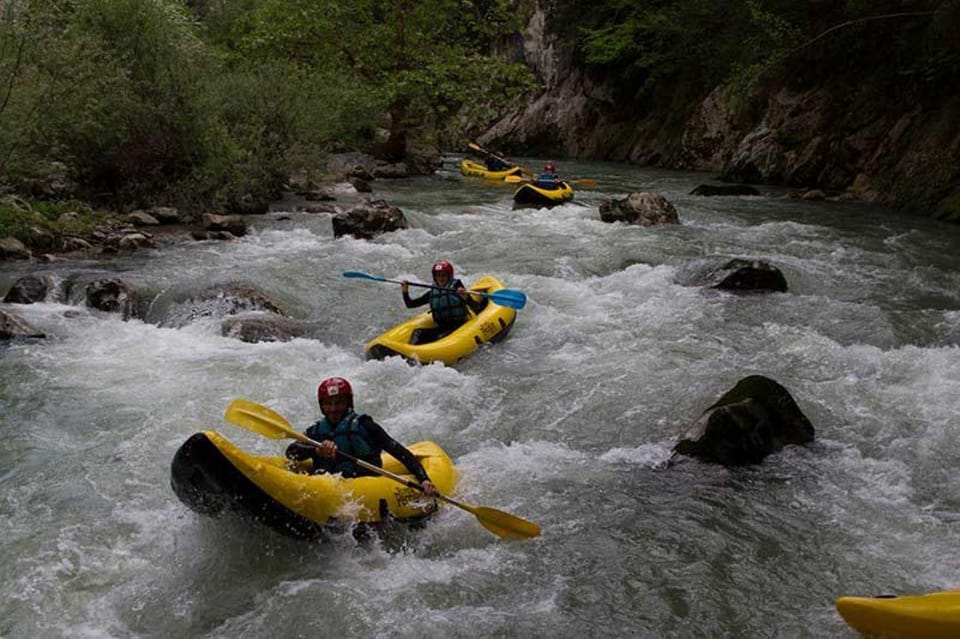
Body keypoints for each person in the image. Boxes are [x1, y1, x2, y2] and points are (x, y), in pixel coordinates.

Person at [286, 377, 437, 496]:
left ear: (348, 403)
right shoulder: (316, 431)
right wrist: (316, 451)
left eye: (339, 403)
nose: (333, 409)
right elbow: (291, 452)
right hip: (325, 486)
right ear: (321, 405)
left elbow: (400, 453)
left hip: (364, 488)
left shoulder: (365, 426)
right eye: (328, 404)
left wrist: (424, 480)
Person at [401, 259, 484, 344]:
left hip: (459, 325)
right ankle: (409, 351)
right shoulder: (433, 292)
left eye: (444, 275)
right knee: (418, 332)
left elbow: (476, 307)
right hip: (442, 327)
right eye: (438, 276)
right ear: (435, 277)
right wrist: (405, 292)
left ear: (449, 276)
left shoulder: (457, 288)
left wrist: (466, 297)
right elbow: (410, 304)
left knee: (440, 337)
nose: (441, 278)